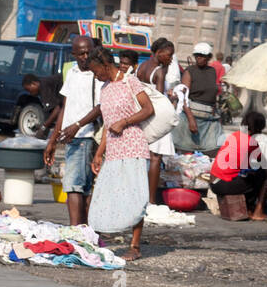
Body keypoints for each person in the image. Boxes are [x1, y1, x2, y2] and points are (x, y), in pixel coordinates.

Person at [86, 46, 153, 259]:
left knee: (135, 195)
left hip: (133, 145)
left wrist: (125, 121)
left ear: (106, 66)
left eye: (96, 71)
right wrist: (99, 153)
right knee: (105, 194)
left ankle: (135, 246)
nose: (96, 76)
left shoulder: (129, 81)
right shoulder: (105, 88)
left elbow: (148, 109)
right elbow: (107, 125)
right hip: (114, 149)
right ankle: (96, 239)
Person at [43, 35, 102, 226]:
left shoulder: (98, 75)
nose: (85, 56)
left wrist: (77, 125)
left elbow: (101, 106)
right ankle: (83, 231)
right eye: (81, 53)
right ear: (74, 54)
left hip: (86, 136)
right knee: (79, 187)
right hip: (70, 138)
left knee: (74, 186)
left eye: (89, 52)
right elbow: (64, 108)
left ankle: (77, 231)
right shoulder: (72, 73)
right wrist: (52, 140)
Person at [136, 38, 179, 201]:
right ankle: (151, 199)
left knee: (141, 157)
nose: (171, 58)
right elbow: (160, 99)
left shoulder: (141, 67)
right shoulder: (159, 72)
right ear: (159, 53)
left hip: (141, 115)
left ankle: (139, 196)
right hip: (155, 117)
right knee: (155, 157)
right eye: (169, 55)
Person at [209, 109, 267, 220]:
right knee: (263, 175)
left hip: (214, 182)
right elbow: (264, 165)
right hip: (224, 184)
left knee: (251, 174)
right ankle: (257, 210)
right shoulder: (251, 143)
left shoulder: (234, 135)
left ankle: (250, 208)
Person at [179, 42, 221, 154]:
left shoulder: (212, 71)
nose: (199, 58)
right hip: (192, 116)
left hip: (209, 118)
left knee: (211, 151)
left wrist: (215, 111)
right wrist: (191, 119)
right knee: (188, 152)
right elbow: (183, 97)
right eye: (197, 55)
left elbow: (213, 93)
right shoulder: (190, 71)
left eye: (202, 56)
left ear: (208, 57)